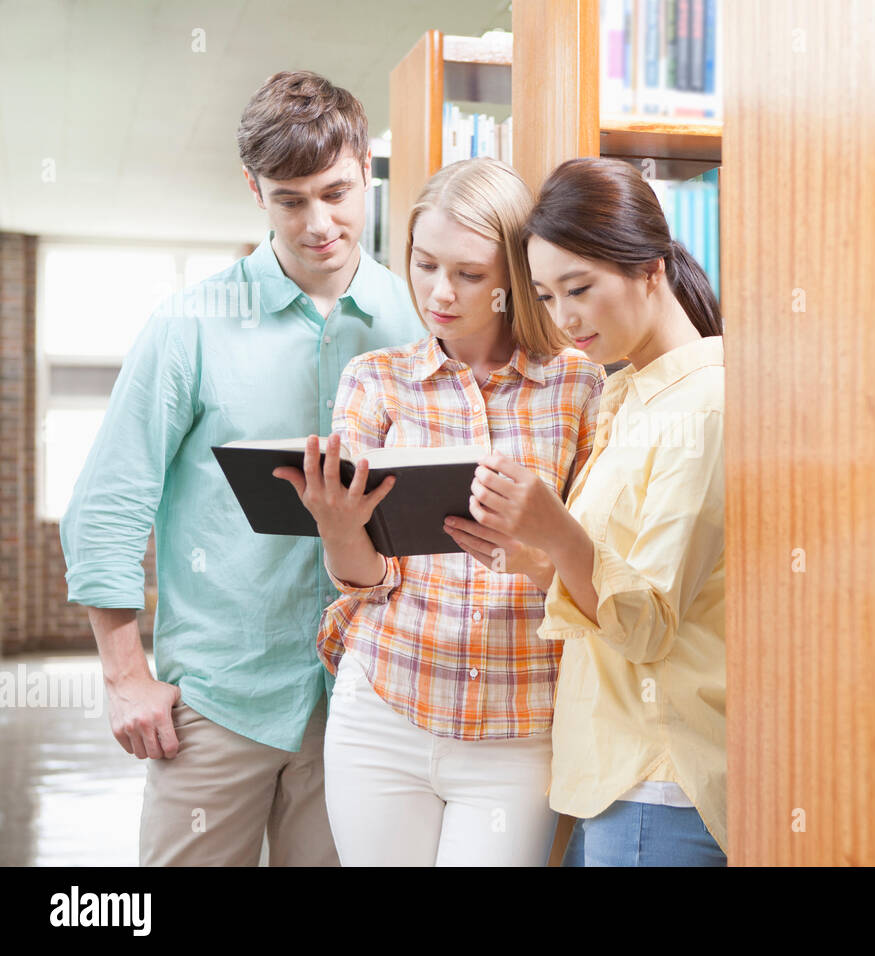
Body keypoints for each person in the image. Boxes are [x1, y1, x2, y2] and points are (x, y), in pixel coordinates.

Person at [59, 71, 425, 866]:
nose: (319, 223)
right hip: (218, 701)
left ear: (368, 167)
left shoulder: (417, 323)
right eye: (290, 200)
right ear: (253, 189)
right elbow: (108, 502)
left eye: (336, 192)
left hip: (366, 705)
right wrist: (125, 676)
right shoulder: (189, 325)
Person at [273, 157, 605, 866]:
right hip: (383, 708)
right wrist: (338, 527)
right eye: (424, 265)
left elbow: (597, 575)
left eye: (469, 274)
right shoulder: (377, 381)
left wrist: (537, 556)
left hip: (518, 727)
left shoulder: (579, 384)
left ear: (515, 277)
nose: (439, 292)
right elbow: (364, 581)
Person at [448, 156, 727, 866]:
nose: (565, 318)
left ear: (650, 269)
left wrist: (558, 533)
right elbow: (608, 590)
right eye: (544, 295)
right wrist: (535, 557)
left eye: (580, 288)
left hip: (659, 778)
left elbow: (650, 625)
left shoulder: (708, 405)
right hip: (612, 777)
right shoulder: (626, 395)